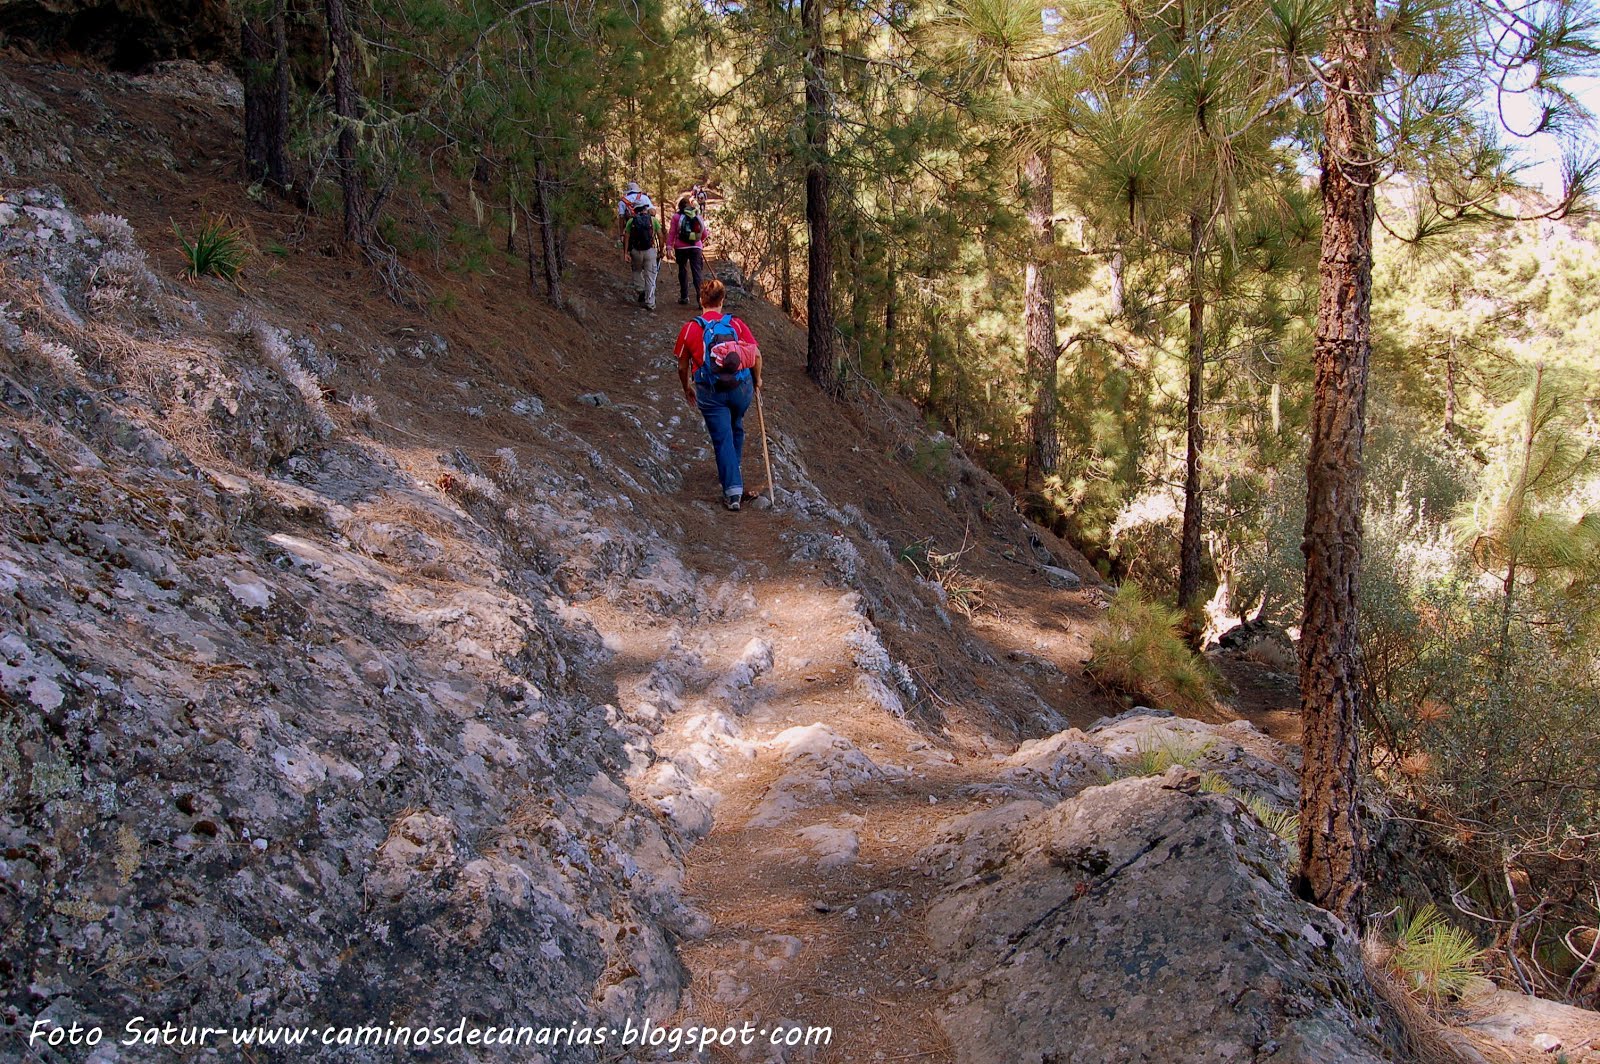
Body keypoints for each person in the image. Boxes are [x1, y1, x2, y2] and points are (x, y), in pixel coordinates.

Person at [674, 279, 762, 511]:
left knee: (722, 437)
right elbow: (756, 355)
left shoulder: (691, 328)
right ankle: (733, 467)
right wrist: (758, 379)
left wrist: (686, 388)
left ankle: (733, 492)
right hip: (740, 390)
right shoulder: (736, 324)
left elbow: (682, 366)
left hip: (711, 393)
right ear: (722, 300)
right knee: (737, 424)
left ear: (700, 300)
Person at [617, 181, 658, 310]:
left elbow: (621, 218)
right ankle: (650, 302)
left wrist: (622, 237)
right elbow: (653, 212)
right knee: (650, 275)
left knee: (636, 270)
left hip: (635, 246)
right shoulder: (645, 198)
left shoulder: (623, 201)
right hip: (649, 246)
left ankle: (641, 289)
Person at [669, 195, 709, 307]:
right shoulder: (696, 214)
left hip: (680, 247)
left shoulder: (676, 217)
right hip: (696, 247)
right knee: (697, 272)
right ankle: (701, 300)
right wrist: (697, 242)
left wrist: (668, 247)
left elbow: (672, 232)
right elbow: (704, 233)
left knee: (683, 270)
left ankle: (684, 296)